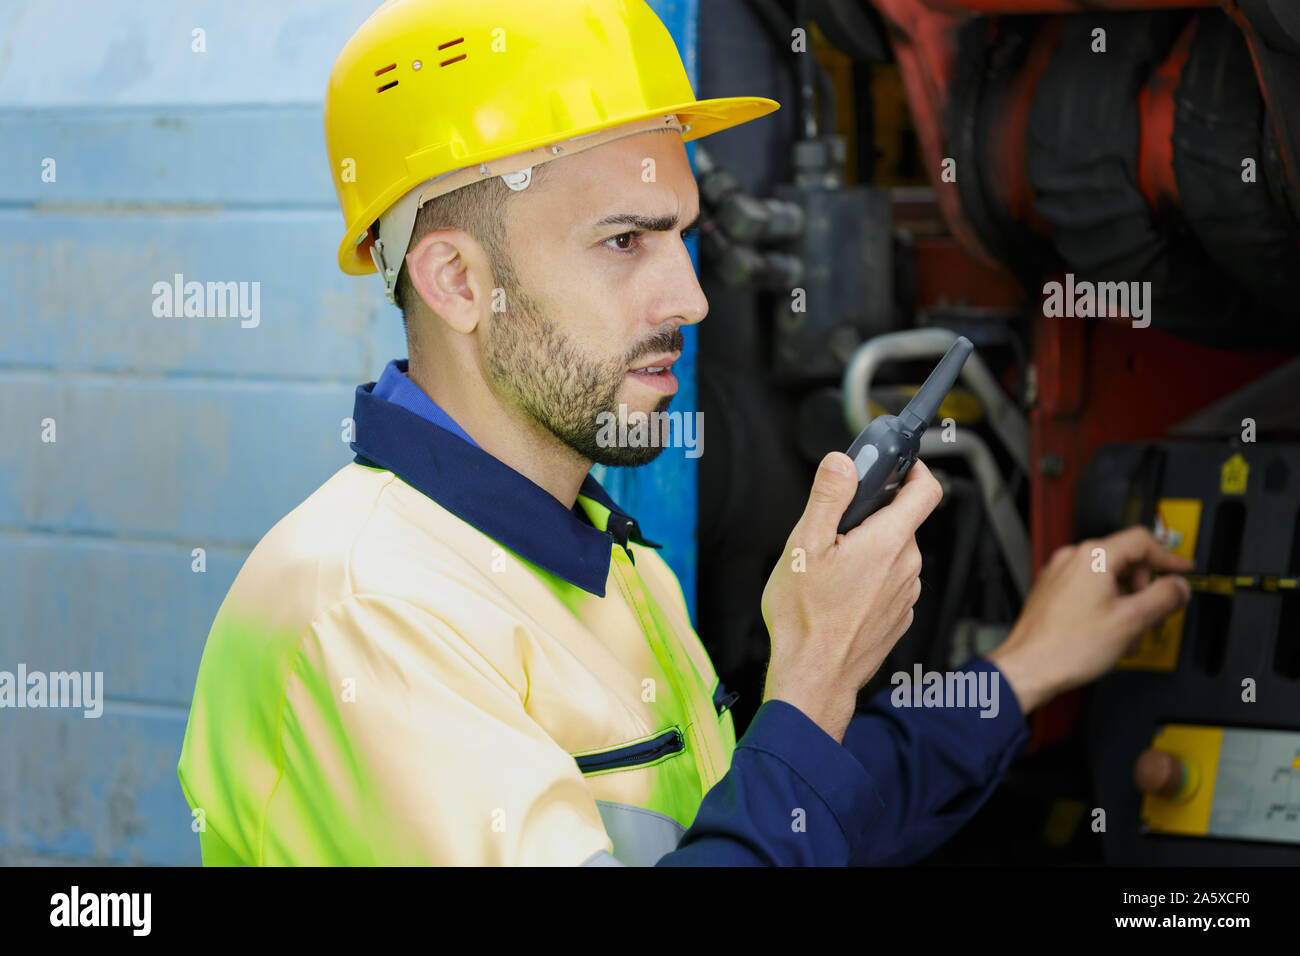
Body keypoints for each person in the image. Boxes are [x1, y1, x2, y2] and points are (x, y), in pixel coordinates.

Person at [176, 0, 1194, 865]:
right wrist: (807, 679)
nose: (691, 298)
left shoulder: (608, 566)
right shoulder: (367, 612)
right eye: (623, 241)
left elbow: (788, 822)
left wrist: (1022, 669)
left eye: (682, 236)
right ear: (456, 281)